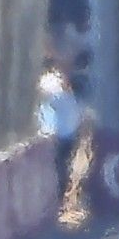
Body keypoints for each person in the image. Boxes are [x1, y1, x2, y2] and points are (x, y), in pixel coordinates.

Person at [36, 63, 83, 195]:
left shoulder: (61, 97)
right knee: (64, 163)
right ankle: (64, 187)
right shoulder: (75, 101)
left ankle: (60, 188)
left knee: (59, 163)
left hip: (62, 136)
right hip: (71, 135)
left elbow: (47, 100)